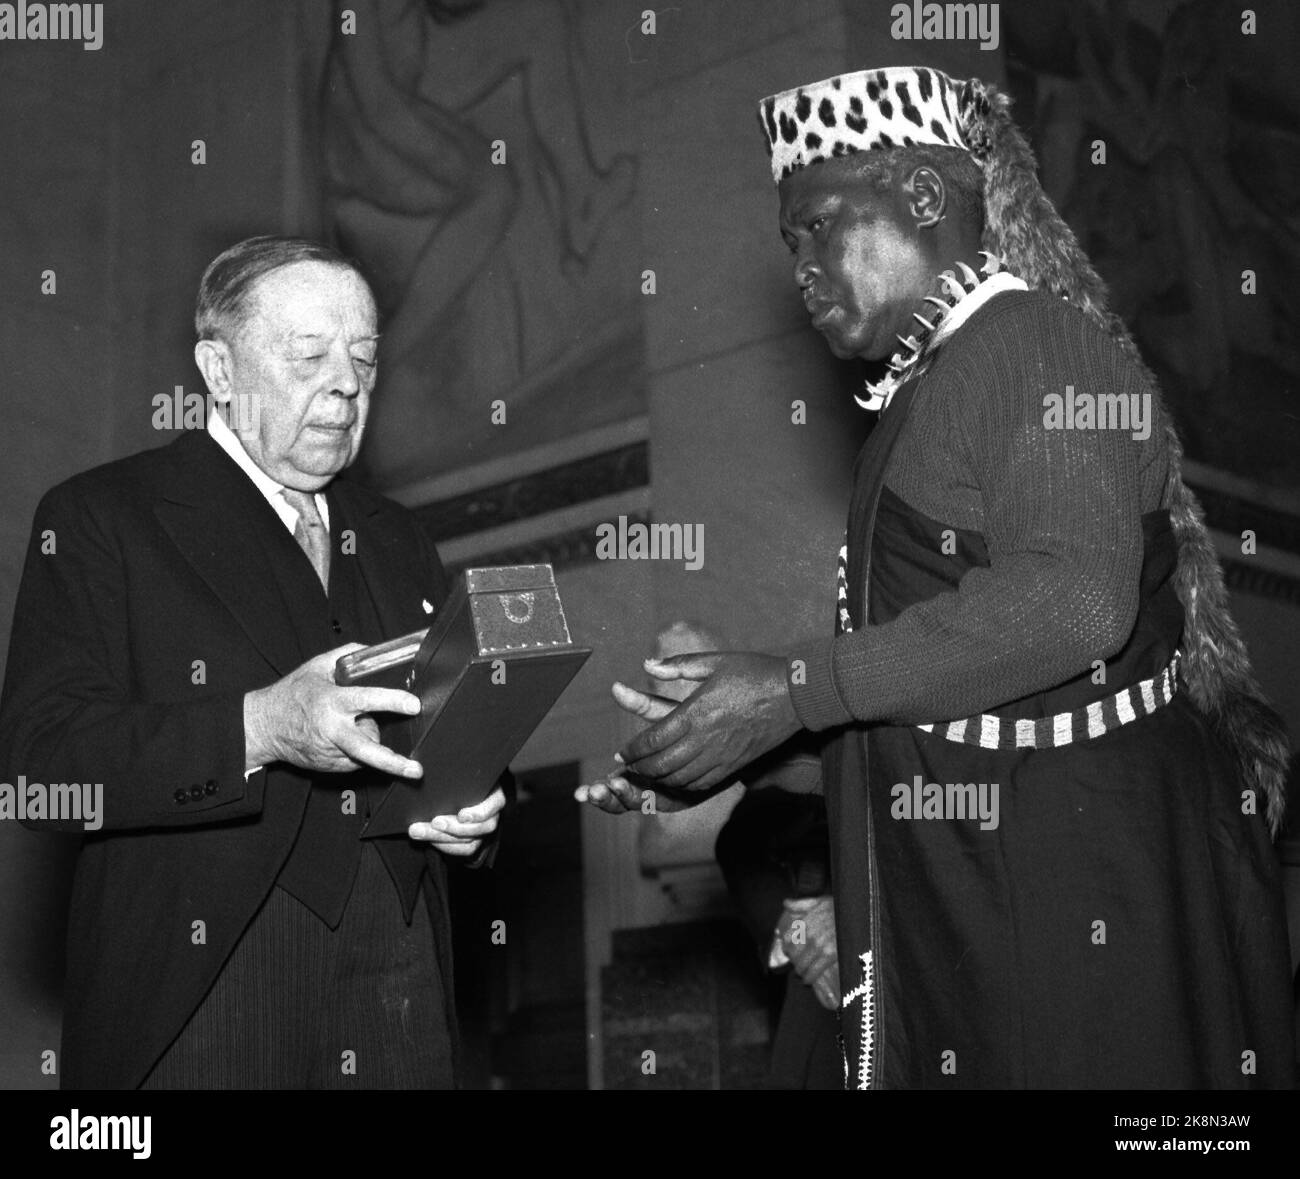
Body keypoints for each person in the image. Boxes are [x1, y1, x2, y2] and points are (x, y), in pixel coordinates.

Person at [584, 66, 1294, 1089]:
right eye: (791, 246)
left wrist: (789, 690)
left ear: (922, 197)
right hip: (1004, 882)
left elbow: (1074, 604)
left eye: (817, 228)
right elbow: (950, 694)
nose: (804, 275)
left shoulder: (1033, 348)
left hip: (1084, 883)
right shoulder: (936, 381)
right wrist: (733, 743)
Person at [0, 236, 506, 1089]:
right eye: (310, 354)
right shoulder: (101, 516)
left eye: (364, 357)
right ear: (220, 370)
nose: (345, 383)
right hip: (202, 988)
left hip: (401, 980)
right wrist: (262, 725)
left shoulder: (399, 538)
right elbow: (41, 765)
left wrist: (475, 807)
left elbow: (461, 730)